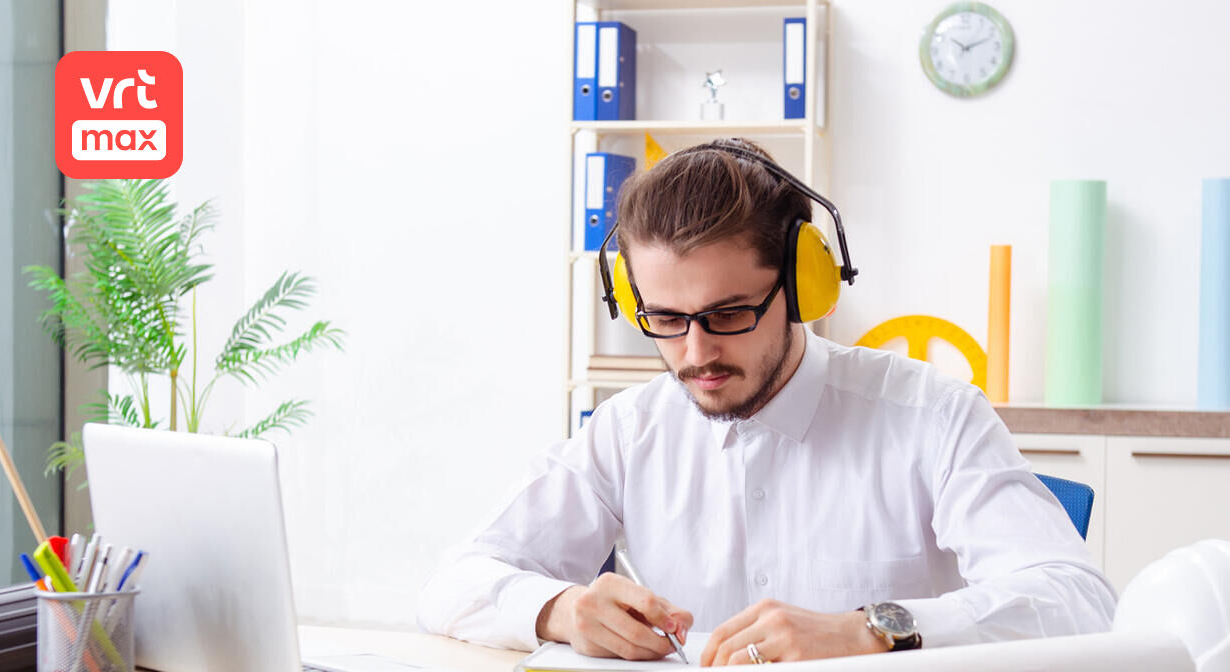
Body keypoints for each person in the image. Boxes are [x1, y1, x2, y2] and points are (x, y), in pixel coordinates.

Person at [416, 138, 1116, 665]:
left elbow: (1078, 599)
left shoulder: (933, 416)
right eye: (664, 318)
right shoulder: (629, 431)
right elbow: (454, 583)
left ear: (805, 287)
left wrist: (871, 629)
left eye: (728, 314)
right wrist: (561, 609)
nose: (694, 355)